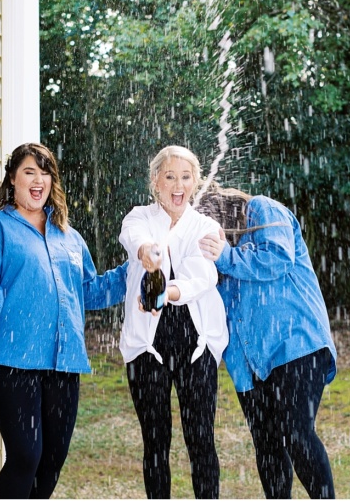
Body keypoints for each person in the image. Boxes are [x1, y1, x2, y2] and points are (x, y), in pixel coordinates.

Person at [0, 142, 127, 499]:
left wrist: (135, 270)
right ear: (12, 180)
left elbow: (90, 292)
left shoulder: (69, 236)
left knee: (51, 460)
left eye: (45, 172)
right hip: (9, 360)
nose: (38, 180)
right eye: (29, 172)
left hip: (63, 362)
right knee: (25, 456)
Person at [196, 181, 337, 499]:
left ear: (220, 211)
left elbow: (277, 257)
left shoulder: (261, 209)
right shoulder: (216, 259)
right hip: (250, 366)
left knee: (297, 434)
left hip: (296, 346)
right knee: (268, 443)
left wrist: (226, 257)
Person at [118, 145, 228, 499]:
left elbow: (203, 278)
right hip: (146, 349)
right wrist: (148, 252)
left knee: (200, 439)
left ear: (195, 182)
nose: (177, 185)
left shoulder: (207, 226)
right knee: (155, 440)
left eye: (185, 177)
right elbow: (135, 239)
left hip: (198, 347)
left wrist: (166, 294)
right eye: (169, 177)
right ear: (155, 182)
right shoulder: (139, 217)